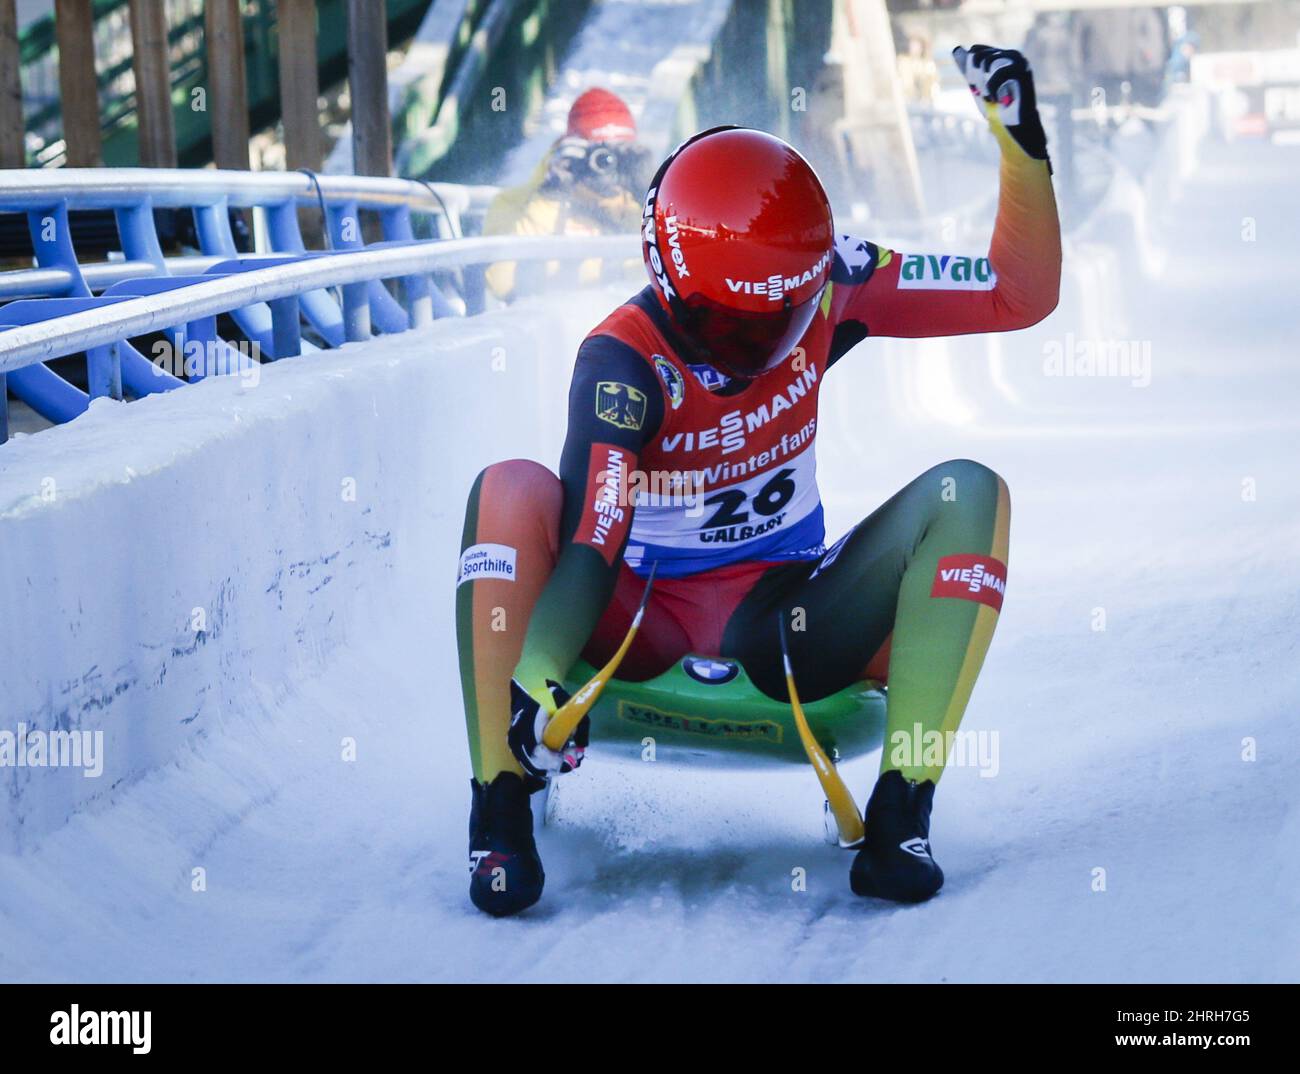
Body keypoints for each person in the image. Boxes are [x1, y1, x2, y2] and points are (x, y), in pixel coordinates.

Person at [457, 46, 1062, 916]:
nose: (750, 349)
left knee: (971, 491)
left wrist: (1021, 149)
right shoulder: (622, 359)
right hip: (636, 622)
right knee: (508, 488)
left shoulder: (839, 278)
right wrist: (541, 674)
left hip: (784, 622)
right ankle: (500, 808)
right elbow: (594, 539)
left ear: (811, 283)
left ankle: (902, 816)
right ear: (667, 282)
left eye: (778, 321)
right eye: (722, 323)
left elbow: (1018, 293)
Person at [483, 87, 651, 301]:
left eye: (616, 157)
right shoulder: (513, 203)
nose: (605, 168)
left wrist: (645, 191)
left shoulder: (634, 209)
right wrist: (551, 196)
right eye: (597, 156)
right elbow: (500, 283)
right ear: (571, 152)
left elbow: (655, 273)